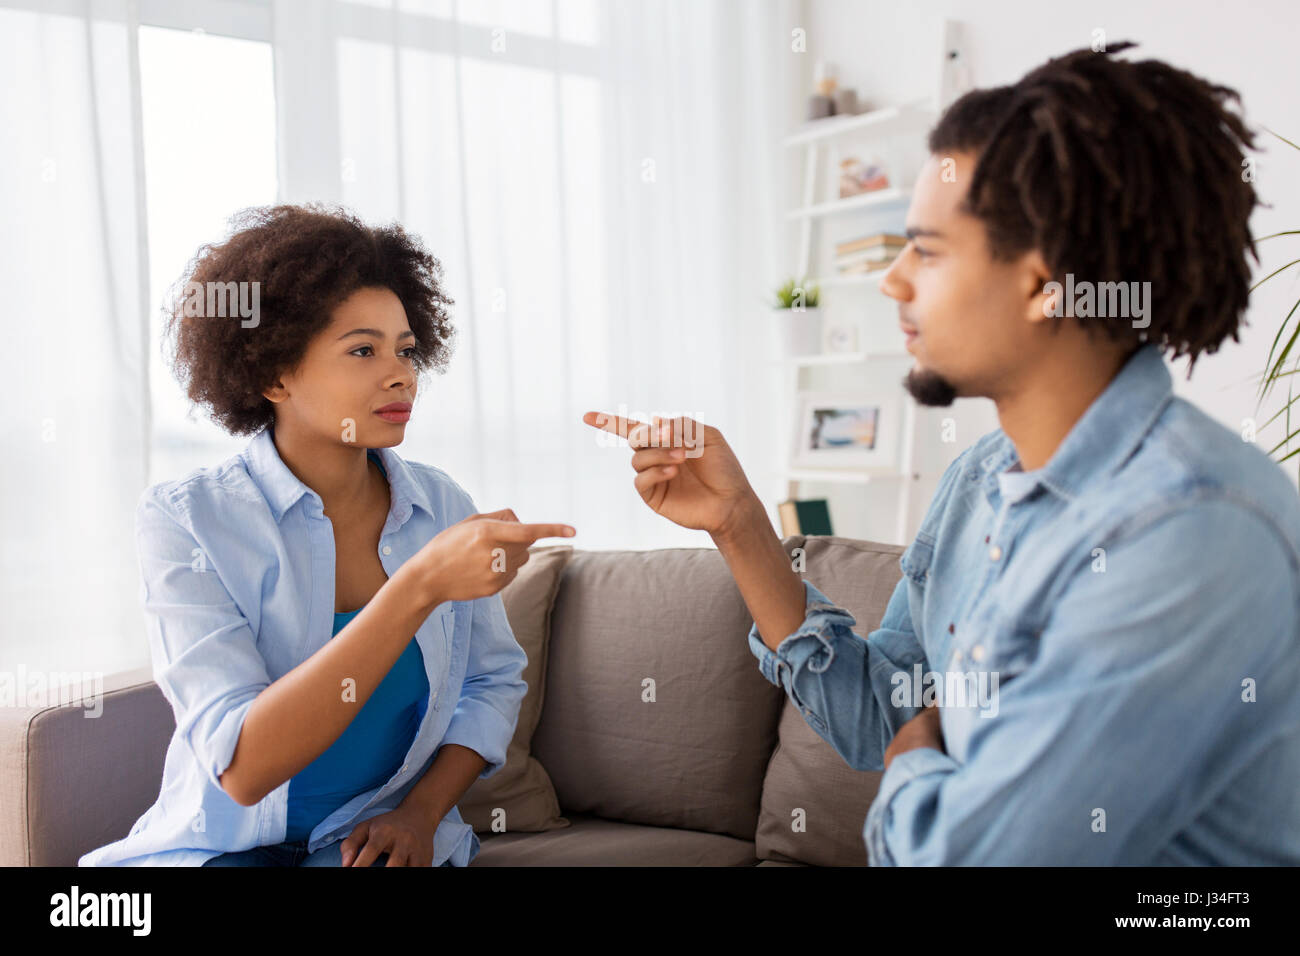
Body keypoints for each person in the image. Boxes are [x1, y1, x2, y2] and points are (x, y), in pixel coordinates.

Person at [584, 42, 1300, 864]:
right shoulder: (980, 480)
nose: (893, 280)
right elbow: (875, 711)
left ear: (1042, 284)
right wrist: (738, 522)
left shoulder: (1191, 527)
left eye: (925, 250)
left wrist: (915, 754)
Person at [79, 204, 574, 867]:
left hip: (369, 839)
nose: (400, 374)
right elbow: (245, 768)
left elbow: (491, 682)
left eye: (405, 349)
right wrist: (419, 587)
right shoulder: (186, 520)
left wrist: (420, 816)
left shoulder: (443, 505)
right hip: (224, 845)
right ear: (272, 374)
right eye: (363, 350)